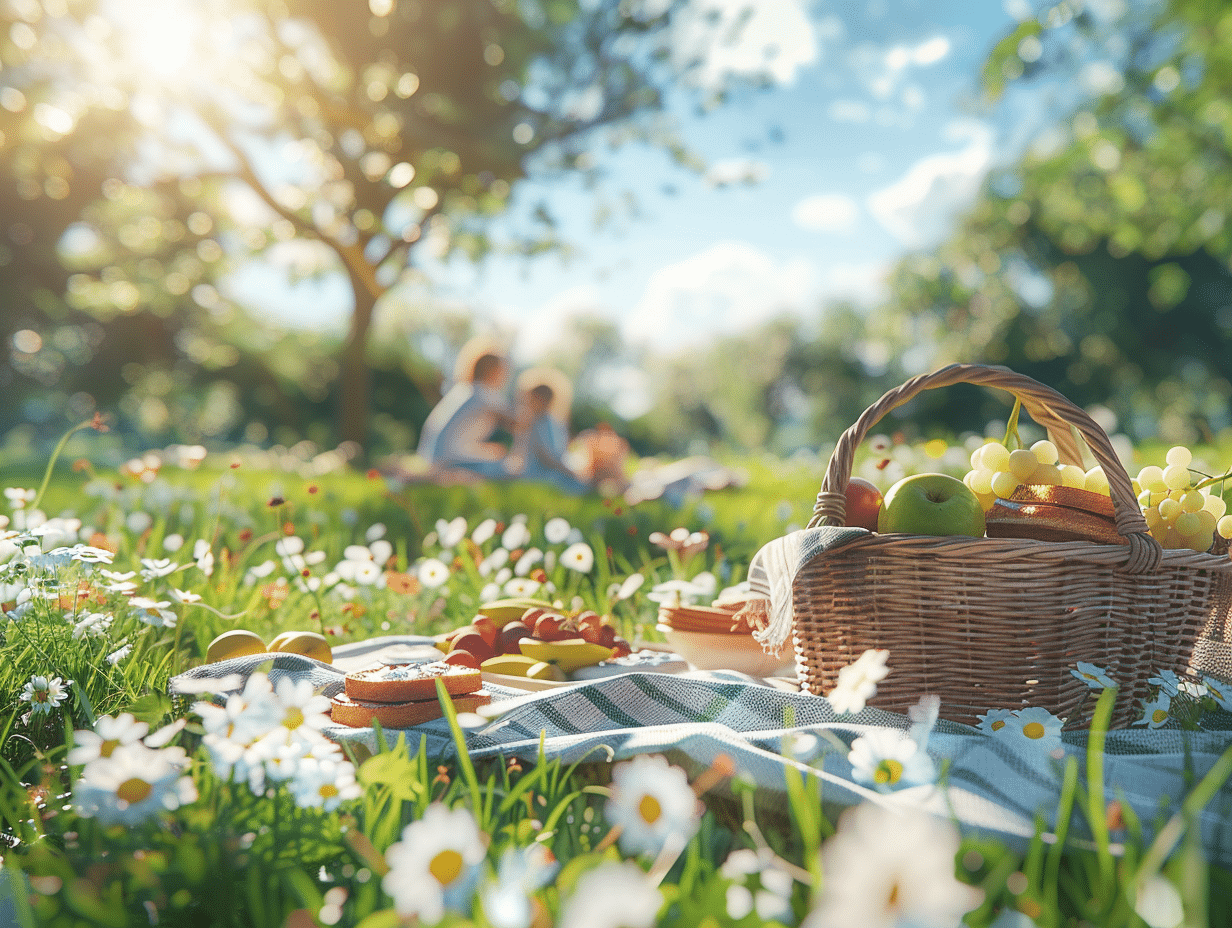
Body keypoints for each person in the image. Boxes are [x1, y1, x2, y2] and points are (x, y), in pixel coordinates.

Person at [416, 339, 515, 479]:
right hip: (449, 461)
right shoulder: (485, 393)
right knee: (510, 467)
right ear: (495, 371)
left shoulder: (463, 390)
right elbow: (518, 425)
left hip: (430, 457)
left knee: (496, 451)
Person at [509, 368, 592, 495]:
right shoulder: (536, 423)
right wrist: (571, 472)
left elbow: (559, 452)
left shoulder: (552, 422)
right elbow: (547, 457)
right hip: (541, 476)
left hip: (550, 472)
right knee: (582, 484)